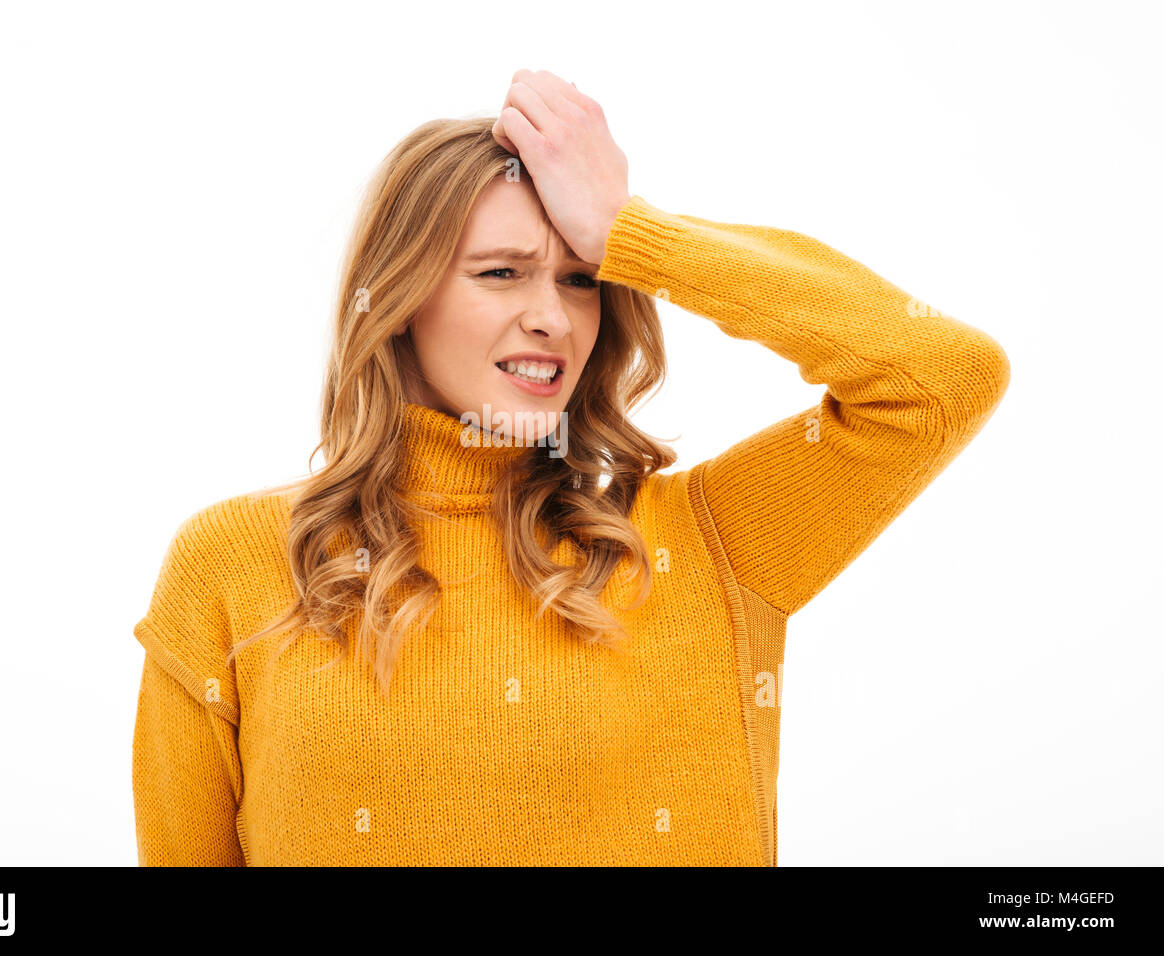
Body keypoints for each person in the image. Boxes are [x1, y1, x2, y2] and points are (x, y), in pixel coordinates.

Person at [131, 69, 1010, 866]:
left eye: (583, 278)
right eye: (503, 272)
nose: (552, 316)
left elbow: (943, 377)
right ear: (399, 301)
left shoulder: (710, 541)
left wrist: (637, 235)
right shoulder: (236, 562)